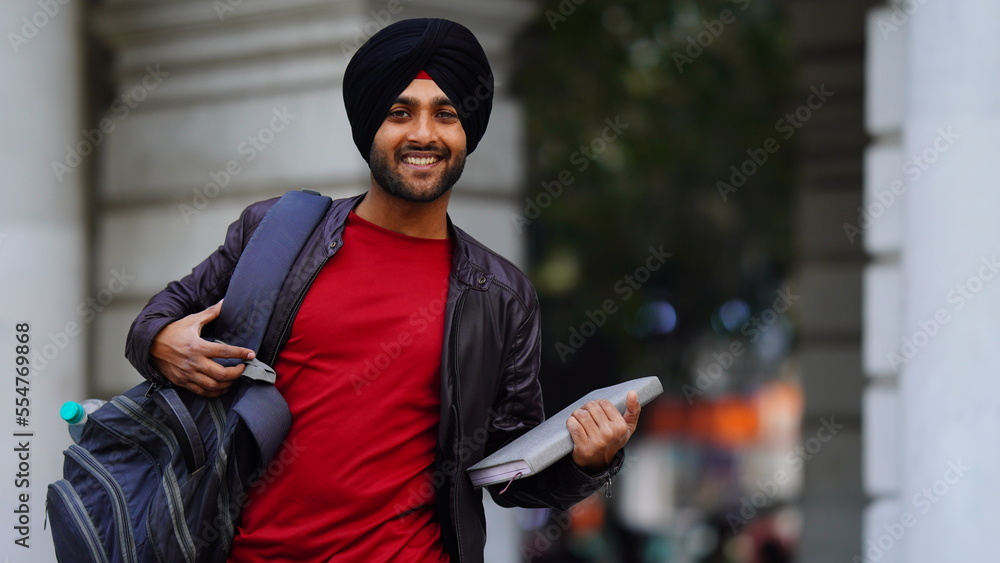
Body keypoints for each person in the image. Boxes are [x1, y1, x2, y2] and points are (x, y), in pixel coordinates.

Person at [125, 17, 640, 563]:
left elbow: (509, 471)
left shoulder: (500, 295)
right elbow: (156, 320)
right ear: (370, 123)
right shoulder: (279, 232)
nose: (424, 134)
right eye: (400, 112)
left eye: (446, 114)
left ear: (467, 132)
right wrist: (161, 344)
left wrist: (587, 460)